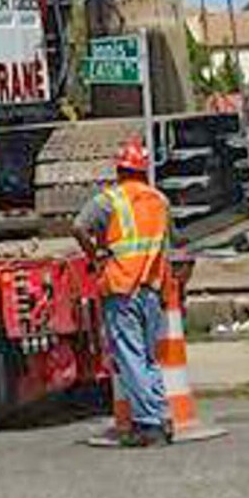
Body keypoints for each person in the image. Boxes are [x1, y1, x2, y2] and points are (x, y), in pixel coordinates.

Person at [74, 136, 174, 446]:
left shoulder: (109, 200)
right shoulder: (160, 201)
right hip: (152, 287)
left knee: (130, 359)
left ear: (119, 170)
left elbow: (79, 226)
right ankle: (162, 417)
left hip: (121, 287)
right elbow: (168, 245)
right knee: (148, 358)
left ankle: (149, 424)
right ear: (144, 171)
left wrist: (95, 254)